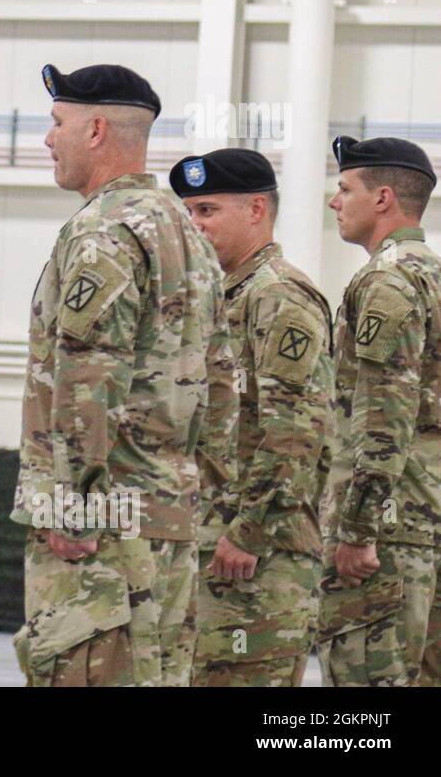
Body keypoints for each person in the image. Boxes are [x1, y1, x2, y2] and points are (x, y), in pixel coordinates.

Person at [10, 63, 238, 687]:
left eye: (58, 124)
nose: (47, 139)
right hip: (166, 516)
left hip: (104, 527)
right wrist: (200, 494)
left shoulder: (104, 230)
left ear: (97, 128)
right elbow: (223, 385)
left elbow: (89, 374)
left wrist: (71, 502)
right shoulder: (188, 236)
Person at [170, 148, 332, 687]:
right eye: (189, 212)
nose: (195, 224)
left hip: (260, 557)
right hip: (213, 544)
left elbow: (296, 430)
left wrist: (249, 532)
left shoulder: (279, 296)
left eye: (208, 210)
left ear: (256, 209)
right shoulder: (220, 297)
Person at [320, 135, 441, 686]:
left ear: (384, 198)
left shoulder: (387, 281)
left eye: (345, 188)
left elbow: (382, 416)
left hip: (390, 530)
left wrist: (358, 528)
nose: (333, 200)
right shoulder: (431, 273)